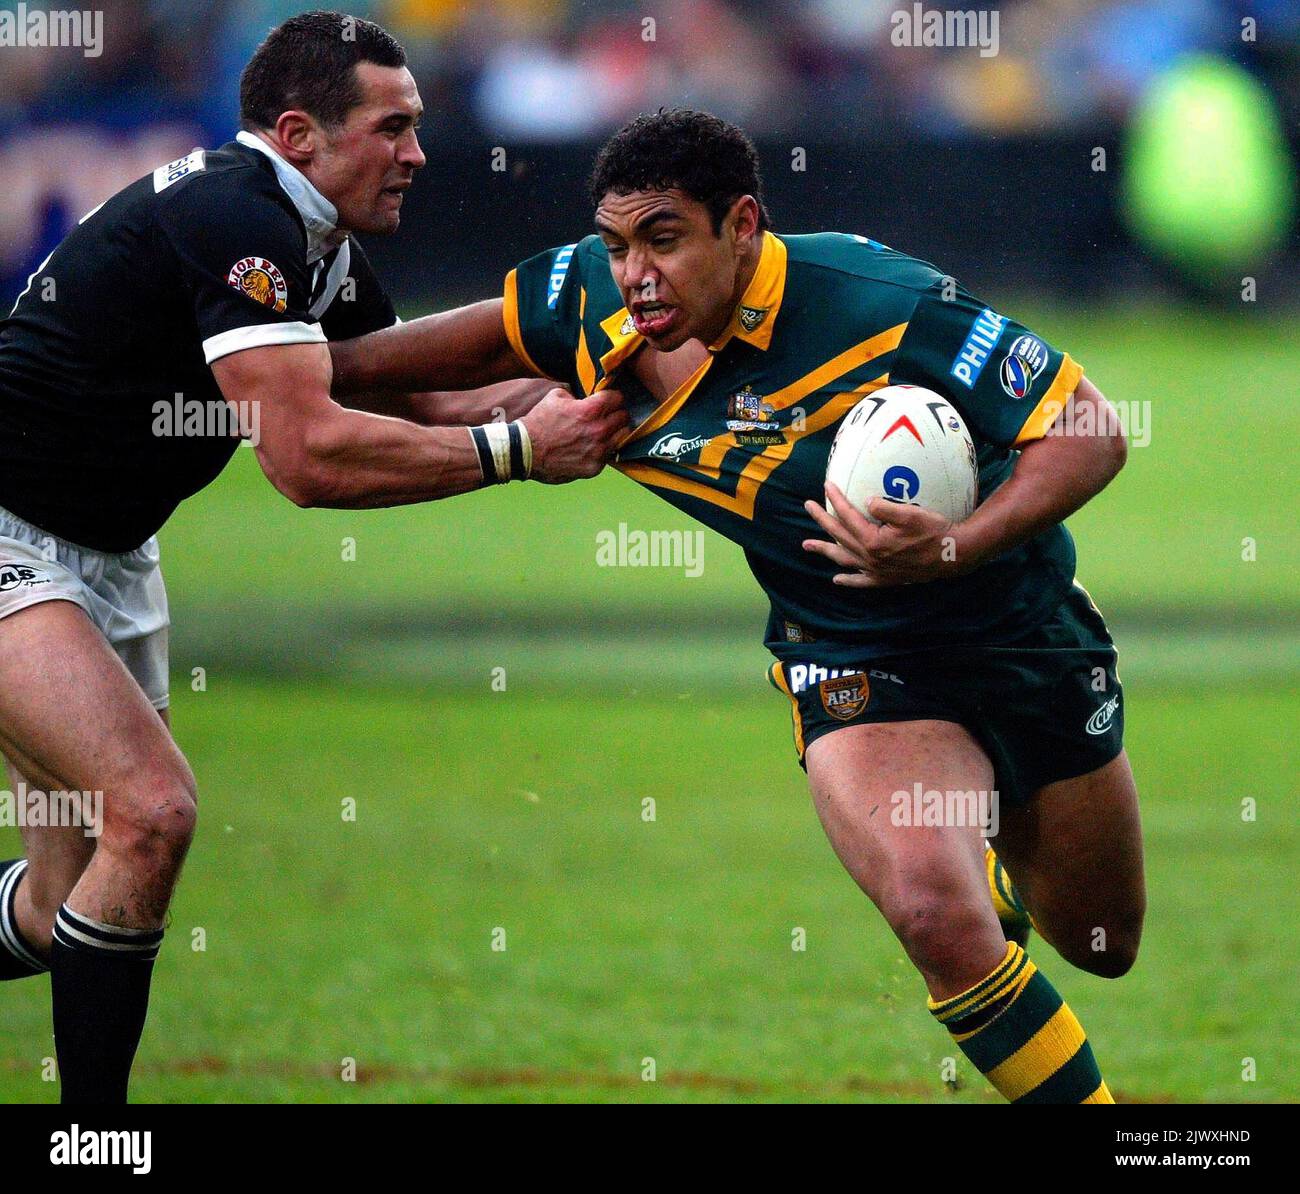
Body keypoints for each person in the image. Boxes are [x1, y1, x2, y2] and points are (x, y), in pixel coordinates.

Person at [330, 108, 1146, 1104]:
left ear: (742, 227)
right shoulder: (586, 300)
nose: (635, 271)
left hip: (1024, 634)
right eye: (617, 243)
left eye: (664, 238)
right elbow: (389, 372)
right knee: (935, 914)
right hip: (849, 652)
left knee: (1102, 941)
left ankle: (1001, 866)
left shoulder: (876, 301)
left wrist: (951, 545)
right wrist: (252, 354)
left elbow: (1090, 429)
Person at [0, 11, 624, 1104]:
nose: (419, 154)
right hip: (10, 534)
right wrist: (523, 449)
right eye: (395, 127)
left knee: (66, 911)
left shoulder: (307, 235)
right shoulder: (236, 216)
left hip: (107, 556)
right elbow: (303, 455)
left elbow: (417, 393)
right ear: (298, 134)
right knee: (151, 815)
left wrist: (608, 390)